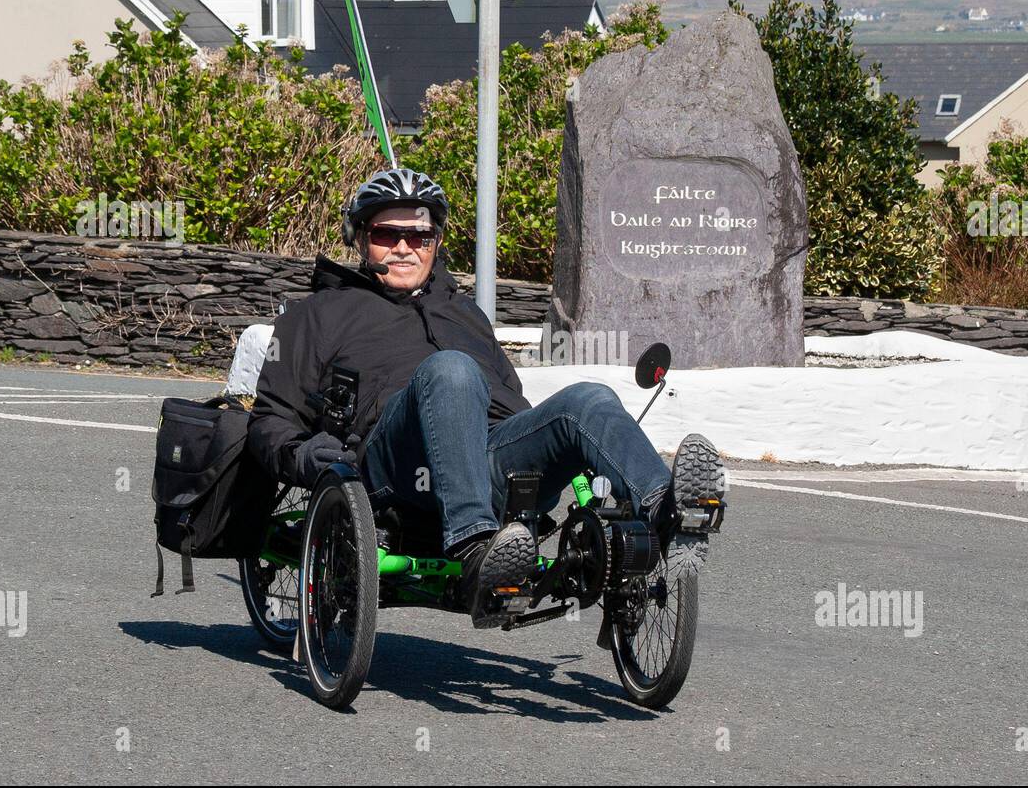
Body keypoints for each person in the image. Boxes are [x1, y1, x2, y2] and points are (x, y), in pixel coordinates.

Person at [247, 168, 722, 627]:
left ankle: (669, 514)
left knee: (587, 400)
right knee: (452, 371)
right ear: (359, 237)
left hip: (492, 462)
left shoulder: (466, 313)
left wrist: (550, 445)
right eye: (386, 234)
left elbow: (509, 401)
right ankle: (478, 554)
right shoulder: (318, 314)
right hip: (397, 467)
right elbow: (271, 418)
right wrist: (302, 454)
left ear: (436, 243)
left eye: (420, 237)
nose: (404, 248)